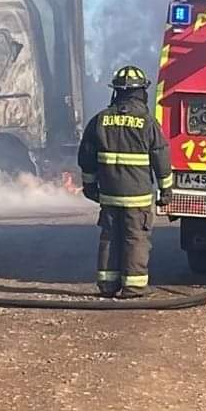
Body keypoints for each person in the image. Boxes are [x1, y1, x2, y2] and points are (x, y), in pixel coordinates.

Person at [78, 66, 173, 299]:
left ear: (116, 92)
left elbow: (86, 156)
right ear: (141, 92)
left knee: (110, 236)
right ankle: (133, 287)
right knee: (135, 238)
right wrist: (166, 190)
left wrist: (90, 186)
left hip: (109, 194)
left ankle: (108, 285)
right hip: (137, 197)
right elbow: (161, 157)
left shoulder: (99, 121)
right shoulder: (147, 123)